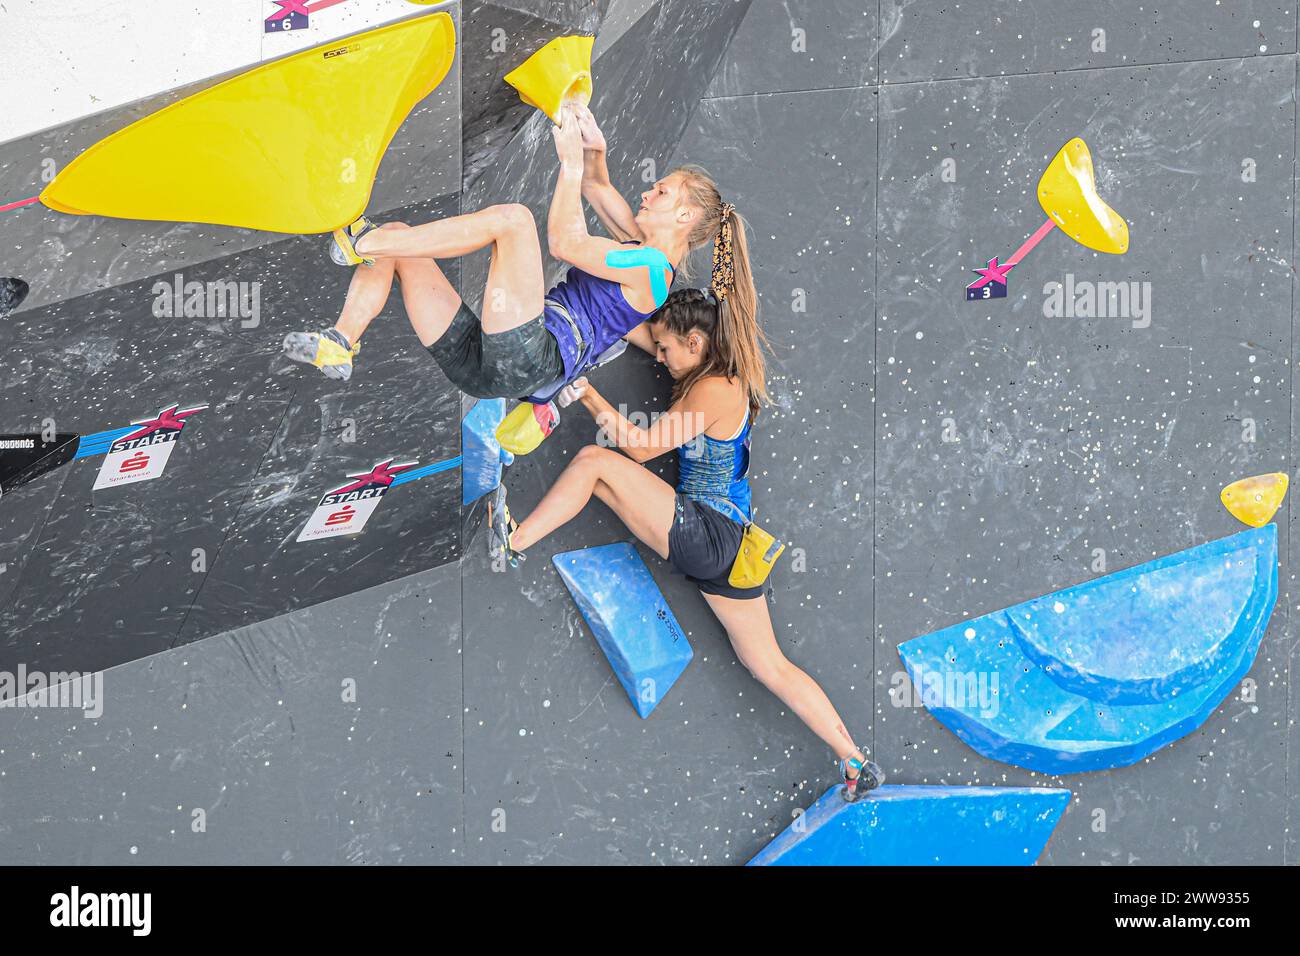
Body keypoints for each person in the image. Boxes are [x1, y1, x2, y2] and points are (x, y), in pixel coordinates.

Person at [488, 277, 883, 800]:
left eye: (670, 349)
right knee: (768, 664)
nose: (663, 357)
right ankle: (856, 760)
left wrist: (586, 392)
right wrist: (604, 309)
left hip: (711, 532)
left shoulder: (715, 388)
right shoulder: (712, 367)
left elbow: (645, 449)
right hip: (730, 549)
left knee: (594, 462)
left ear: (695, 344)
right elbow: (644, 332)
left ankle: (512, 543)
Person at [283, 102, 749, 405]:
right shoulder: (640, 247)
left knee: (515, 221)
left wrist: (566, 164)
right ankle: (340, 342)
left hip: (533, 355)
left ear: (685, 217)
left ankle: (360, 242)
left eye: (662, 192)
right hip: (488, 370)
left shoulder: (651, 270)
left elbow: (564, 243)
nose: (648, 193)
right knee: (402, 240)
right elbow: (597, 185)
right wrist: (594, 147)